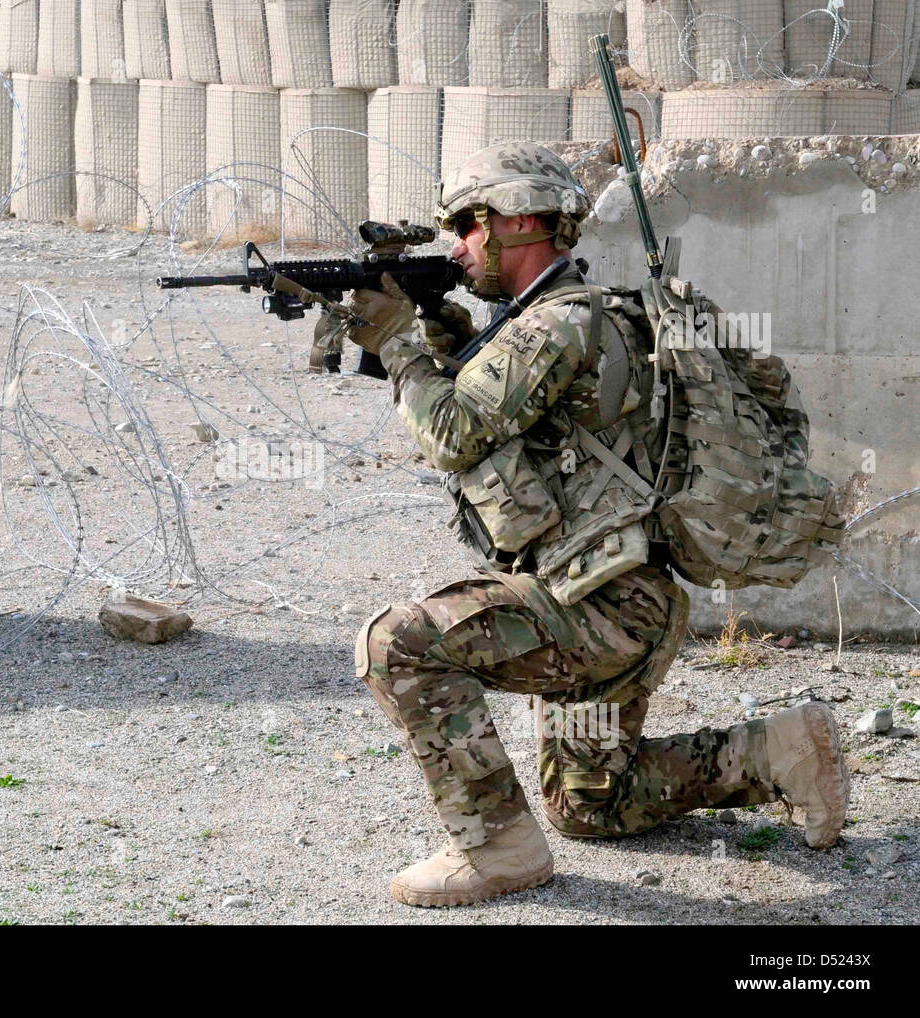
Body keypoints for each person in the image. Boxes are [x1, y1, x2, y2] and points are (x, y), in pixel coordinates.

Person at [331, 142, 851, 908]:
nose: (456, 245)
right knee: (590, 804)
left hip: (599, 610)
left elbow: (453, 433)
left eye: (467, 226)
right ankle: (777, 751)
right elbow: (507, 413)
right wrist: (437, 330)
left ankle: (496, 849)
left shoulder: (561, 323)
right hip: (621, 603)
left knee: (396, 642)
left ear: (520, 222)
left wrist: (400, 343)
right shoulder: (560, 318)